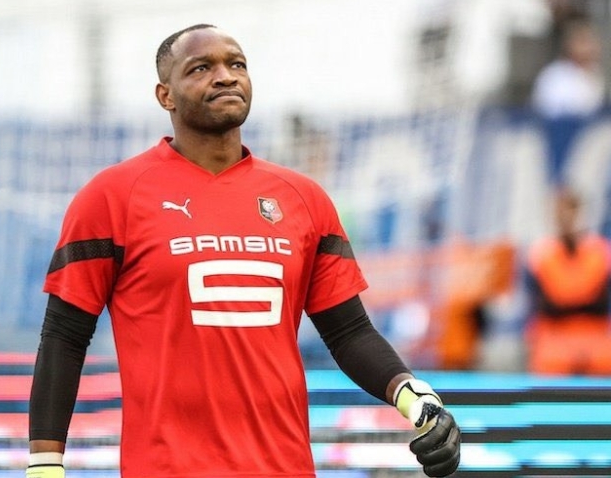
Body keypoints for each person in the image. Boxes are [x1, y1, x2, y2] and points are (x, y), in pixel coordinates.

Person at [26, 24, 461, 478]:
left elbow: (349, 332)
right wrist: (44, 463)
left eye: (236, 64)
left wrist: (416, 397)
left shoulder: (304, 199)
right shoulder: (112, 197)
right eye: (201, 68)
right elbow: (63, 337)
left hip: (284, 467)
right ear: (165, 95)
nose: (226, 76)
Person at [524, 185, 611, 374]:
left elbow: (601, 306)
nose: (565, 218)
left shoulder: (600, 253)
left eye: (571, 211)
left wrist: (568, 301)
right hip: (553, 344)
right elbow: (545, 307)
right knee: (549, 361)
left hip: (595, 342)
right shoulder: (540, 255)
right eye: (560, 212)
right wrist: (580, 301)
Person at [531, 16, 606, 119]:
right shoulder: (555, 76)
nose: (591, 47)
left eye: (593, 42)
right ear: (569, 45)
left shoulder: (595, 73)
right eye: (584, 42)